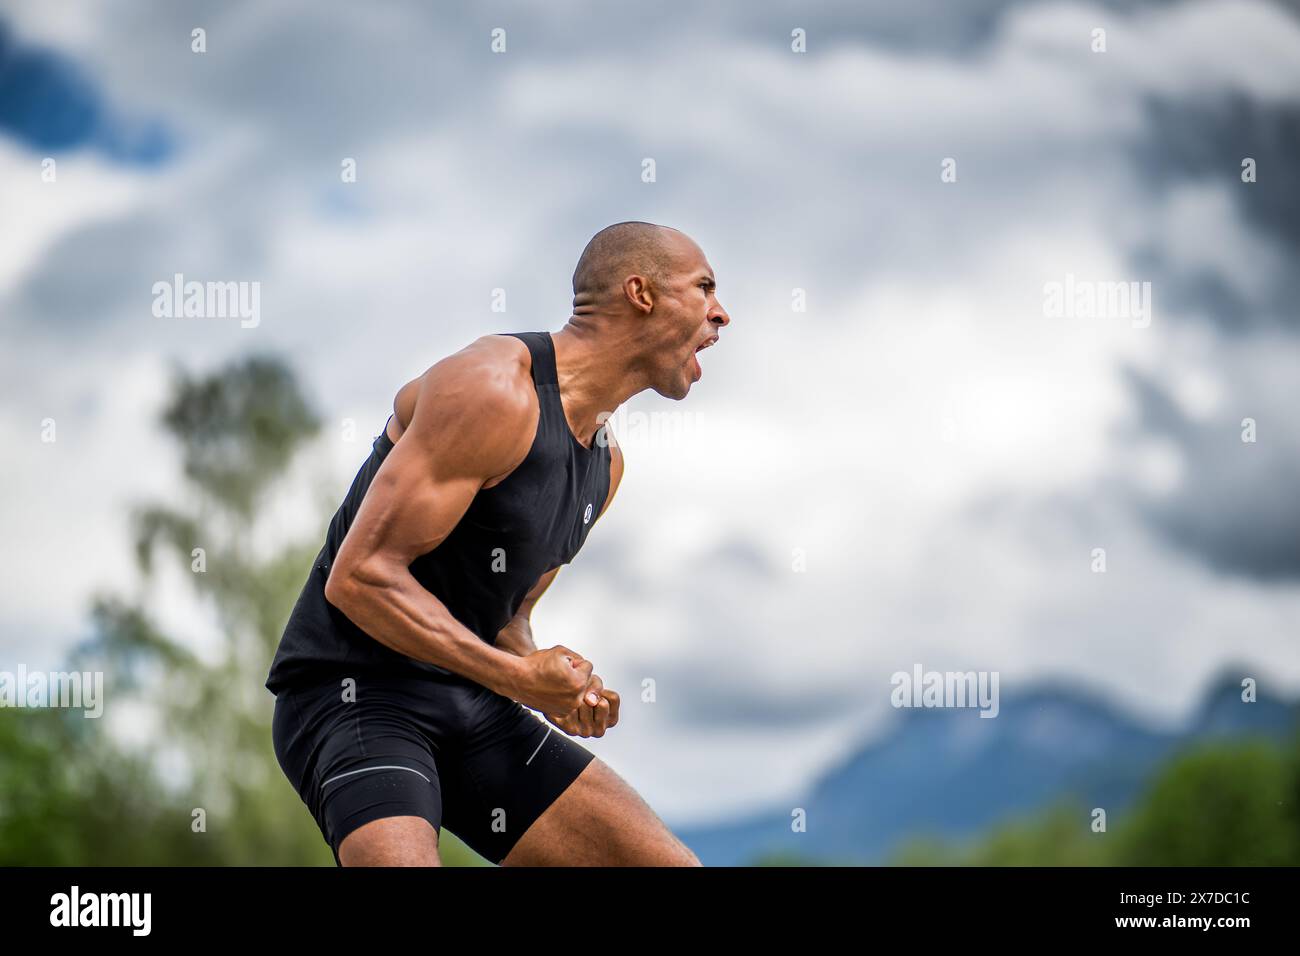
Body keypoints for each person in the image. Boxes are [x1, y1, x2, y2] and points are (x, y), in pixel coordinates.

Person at [265, 221, 729, 865]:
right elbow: (361, 577)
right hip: (355, 694)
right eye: (704, 287)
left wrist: (559, 685)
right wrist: (518, 678)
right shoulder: (491, 388)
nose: (721, 313)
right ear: (640, 293)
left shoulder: (605, 464)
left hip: (471, 705)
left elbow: (507, 618)